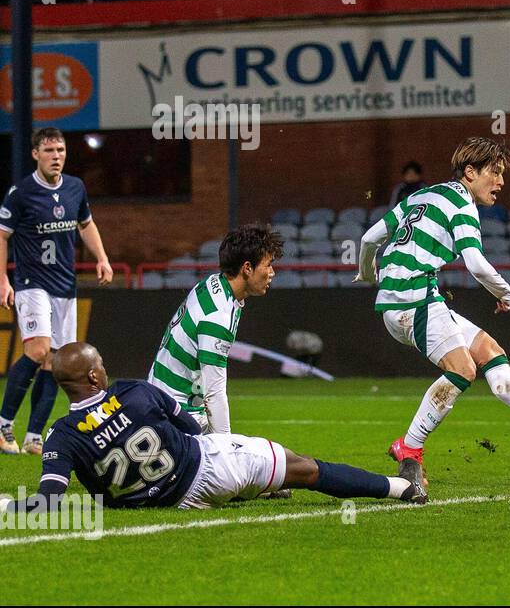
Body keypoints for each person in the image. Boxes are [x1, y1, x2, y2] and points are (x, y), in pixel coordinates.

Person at [355, 138, 510, 486]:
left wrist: (366, 273)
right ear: (470, 173)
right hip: (415, 300)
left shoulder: (422, 196)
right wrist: (506, 294)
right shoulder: (462, 204)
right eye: (494, 173)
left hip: (404, 300)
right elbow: (477, 265)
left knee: (488, 351)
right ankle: (410, 446)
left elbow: (367, 240)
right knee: (463, 370)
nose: (500, 182)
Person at [0, 343, 426, 515]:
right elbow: (195, 430)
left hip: (171, 507)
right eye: (100, 366)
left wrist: (5, 507)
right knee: (306, 468)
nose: (104, 369)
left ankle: (259, 483)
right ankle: (402, 488)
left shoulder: (60, 435)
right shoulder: (134, 391)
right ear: (94, 378)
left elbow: (48, 502)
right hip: (211, 469)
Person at [0, 128, 114, 456]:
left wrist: (102, 258)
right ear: (35, 154)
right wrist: (3, 281)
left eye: (61, 150)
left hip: (65, 286)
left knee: (56, 363)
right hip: (31, 284)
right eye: (49, 150)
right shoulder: (20, 193)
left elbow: (86, 224)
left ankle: (34, 436)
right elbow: (2, 236)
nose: (56, 156)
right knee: (38, 352)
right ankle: (4, 422)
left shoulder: (75, 188)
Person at [148, 224, 279, 439]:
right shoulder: (218, 317)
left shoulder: (211, 283)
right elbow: (214, 393)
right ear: (247, 268)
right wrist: (224, 449)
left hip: (162, 399)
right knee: (244, 462)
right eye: (268, 265)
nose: (272, 272)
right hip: (175, 415)